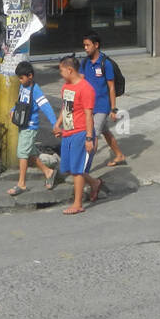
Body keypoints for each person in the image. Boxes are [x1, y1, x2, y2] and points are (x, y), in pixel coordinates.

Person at [54, 55, 103, 215]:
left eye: (61, 70)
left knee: (77, 169)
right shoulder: (66, 87)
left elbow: (89, 115)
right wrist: (58, 124)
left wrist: (89, 138)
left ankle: (78, 204)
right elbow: (66, 108)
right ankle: (94, 183)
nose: (60, 74)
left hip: (81, 133)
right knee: (69, 168)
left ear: (70, 70)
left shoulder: (86, 89)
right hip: (68, 132)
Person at [8, 60, 58, 195]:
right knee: (30, 154)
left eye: (21, 78)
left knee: (22, 154)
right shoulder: (23, 87)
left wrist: (55, 124)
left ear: (30, 76)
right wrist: (13, 110)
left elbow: (46, 107)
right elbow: (20, 102)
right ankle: (48, 172)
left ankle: (21, 184)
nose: (20, 81)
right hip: (22, 125)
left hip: (30, 128)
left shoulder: (36, 90)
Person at [80, 32, 126, 168]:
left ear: (96, 45)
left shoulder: (106, 63)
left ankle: (85, 169)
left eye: (88, 45)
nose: (85, 48)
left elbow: (111, 88)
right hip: (89, 106)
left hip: (102, 106)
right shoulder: (85, 62)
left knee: (92, 135)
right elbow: (80, 82)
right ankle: (119, 155)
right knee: (105, 130)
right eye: (84, 45)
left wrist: (113, 109)